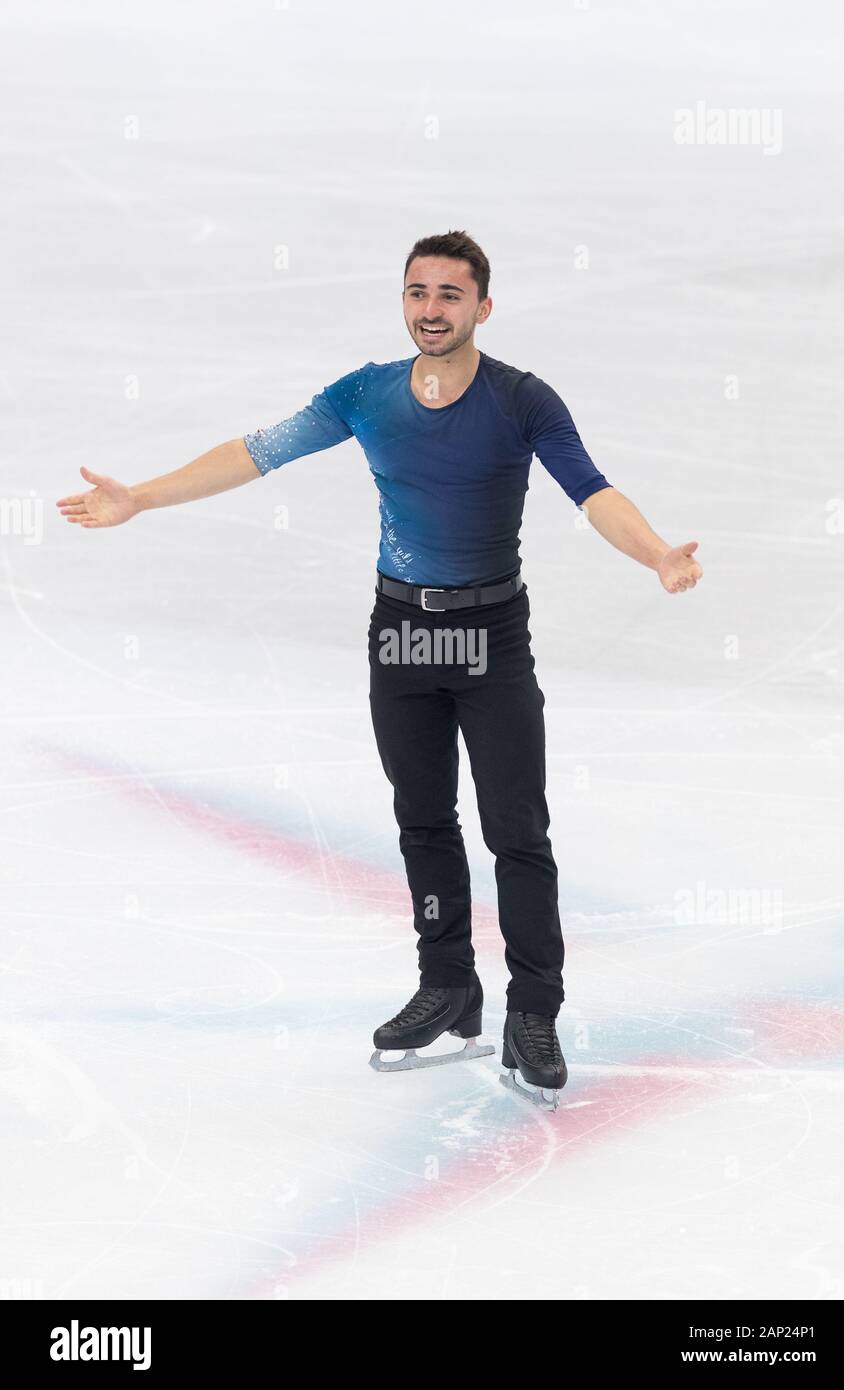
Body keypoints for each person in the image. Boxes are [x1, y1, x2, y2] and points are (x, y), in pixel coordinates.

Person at [56, 229, 703, 1110]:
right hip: (401, 631)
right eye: (416, 293)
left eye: (448, 295)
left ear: (483, 305)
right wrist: (141, 496)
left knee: (517, 828)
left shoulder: (521, 400)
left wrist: (657, 552)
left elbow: (592, 490)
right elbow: (256, 450)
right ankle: (449, 988)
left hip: (489, 637)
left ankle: (534, 1012)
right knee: (423, 819)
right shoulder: (366, 393)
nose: (430, 310)